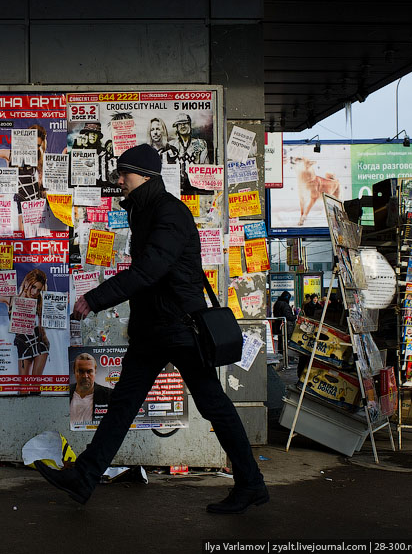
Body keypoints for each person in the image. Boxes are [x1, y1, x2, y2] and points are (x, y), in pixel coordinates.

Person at [34, 144, 268, 514]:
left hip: (181, 328)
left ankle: (251, 483)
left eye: (123, 175)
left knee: (214, 406)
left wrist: (94, 299)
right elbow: (149, 276)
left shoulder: (169, 213)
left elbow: (149, 271)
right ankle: (84, 477)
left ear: (142, 176)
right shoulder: (145, 213)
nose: (119, 182)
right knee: (122, 406)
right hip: (155, 330)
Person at [169, 114, 211, 194]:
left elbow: (206, 168)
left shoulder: (200, 143)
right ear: (177, 128)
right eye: (179, 124)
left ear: (190, 125)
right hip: (176, 187)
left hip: (195, 187)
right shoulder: (171, 145)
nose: (182, 126)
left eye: (185, 123)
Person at [69, 352, 111, 426]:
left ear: (95, 371)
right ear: (74, 371)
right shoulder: (65, 392)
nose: (85, 376)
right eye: (80, 371)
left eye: (89, 371)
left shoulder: (109, 395)